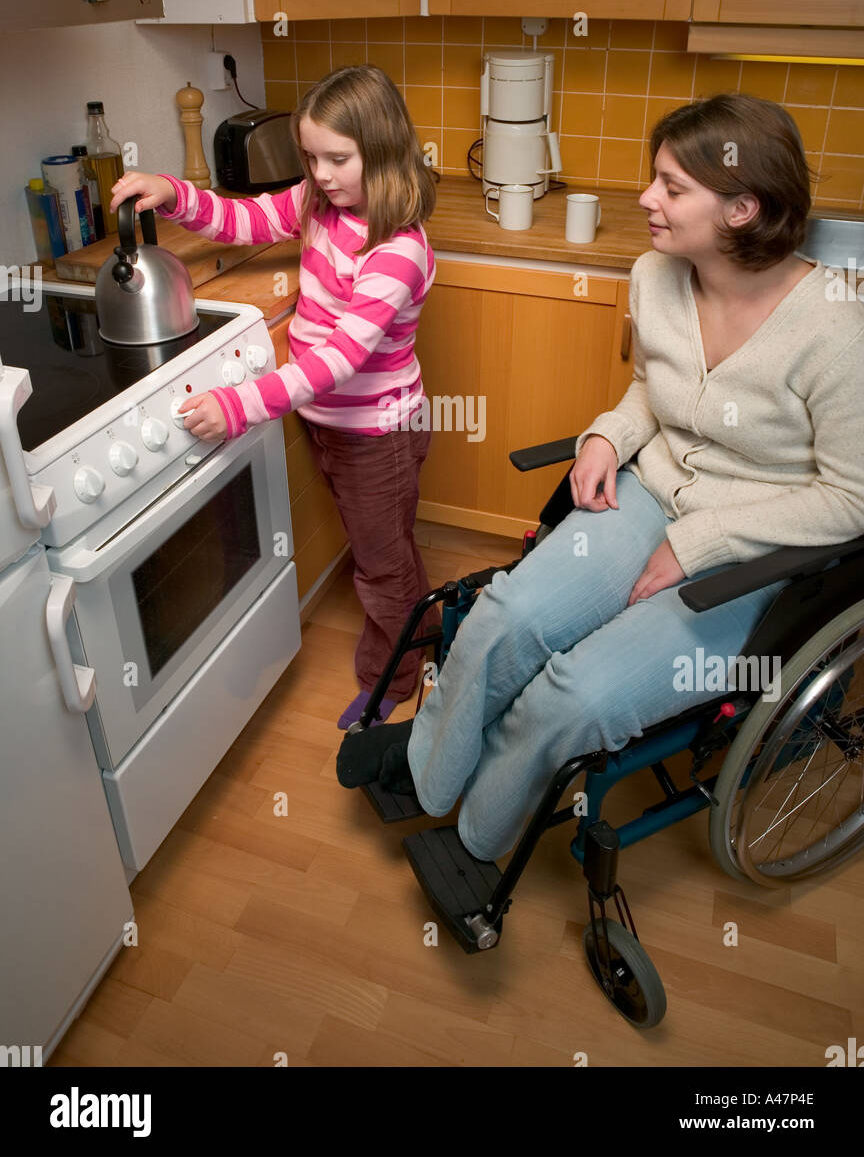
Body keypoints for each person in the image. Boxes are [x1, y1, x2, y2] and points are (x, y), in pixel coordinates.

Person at [337, 92, 864, 863]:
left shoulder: (836, 330)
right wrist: (602, 441)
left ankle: (480, 837)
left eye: (672, 188)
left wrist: (702, 542)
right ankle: (428, 772)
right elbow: (653, 391)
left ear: (743, 209)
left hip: (759, 551)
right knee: (502, 617)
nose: (645, 199)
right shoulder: (657, 275)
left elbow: (850, 498)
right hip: (647, 495)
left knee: (578, 694)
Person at [109, 65, 438, 730]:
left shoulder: (396, 251)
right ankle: (429, 630)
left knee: (379, 566)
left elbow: (336, 363)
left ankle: (394, 679)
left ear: (383, 150)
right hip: (336, 429)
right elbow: (244, 218)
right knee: (388, 550)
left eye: (337, 158)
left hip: (377, 435)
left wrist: (235, 407)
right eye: (311, 157)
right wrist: (169, 193)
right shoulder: (321, 204)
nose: (320, 173)